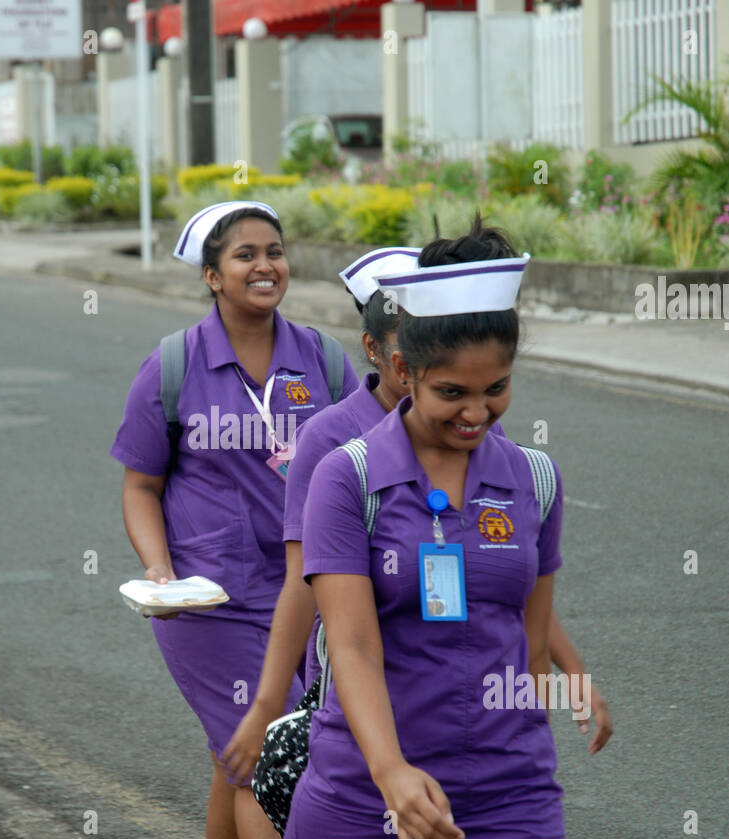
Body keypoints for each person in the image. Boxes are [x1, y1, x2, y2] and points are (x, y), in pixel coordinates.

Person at [223, 241, 611, 796]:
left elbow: (508, 580)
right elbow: (301, 584)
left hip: (469, 697)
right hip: (364, 689)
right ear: (381, 354)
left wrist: (568, 670)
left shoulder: (474, 428)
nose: (470, 406)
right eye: (413, 358)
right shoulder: (331, 443)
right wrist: (267, 702)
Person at [280, 222, 572, 839]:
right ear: (404, 370)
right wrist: (390, 773)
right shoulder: (346, 477)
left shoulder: (537, 480)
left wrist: (530, 749)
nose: (477, 412)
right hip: (367, 801)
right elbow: (350, 645)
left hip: (509, 801)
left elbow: (533, 638)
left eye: (496, 388)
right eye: (452, 393)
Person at [112, 201, 356, 839]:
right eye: (244, 255)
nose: (265, 265)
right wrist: (160, 570)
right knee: (267, 755)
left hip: (305, 597)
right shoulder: (172, 365)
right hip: (207, 603)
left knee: (241, 750)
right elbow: (141, 487)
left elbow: (359, 464)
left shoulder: (323, 360)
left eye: (274, 251)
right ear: (212, 276)